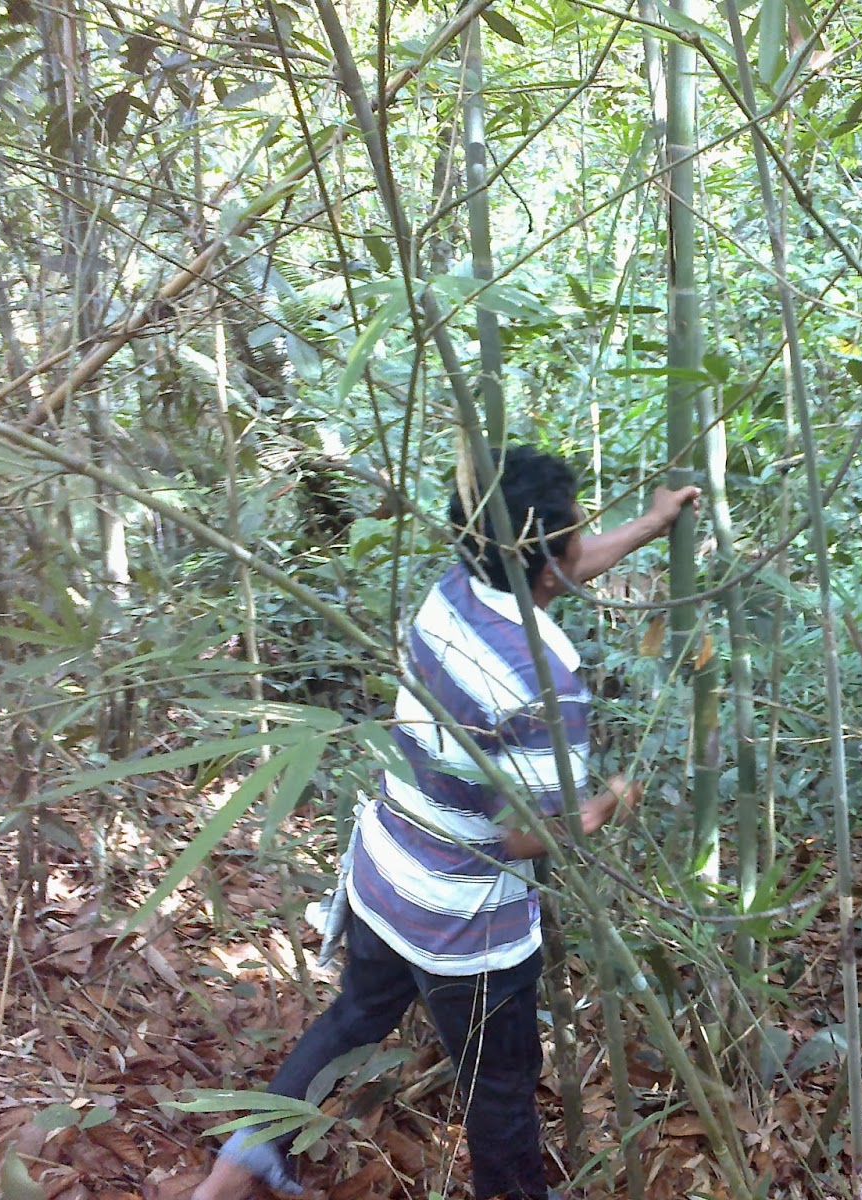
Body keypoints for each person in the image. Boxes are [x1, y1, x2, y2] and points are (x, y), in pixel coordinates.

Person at [193, 445, 700, 1200]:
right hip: (465, 920)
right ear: (548, 556)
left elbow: (555, 568)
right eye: (575, 530)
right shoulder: (545, 681)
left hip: (387, 870)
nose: (581, 542)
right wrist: (606, 805)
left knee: (355, 1015)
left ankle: (240, 1164)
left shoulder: (453, 591)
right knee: (501, 1088)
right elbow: (524, 835)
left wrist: (652, 523)